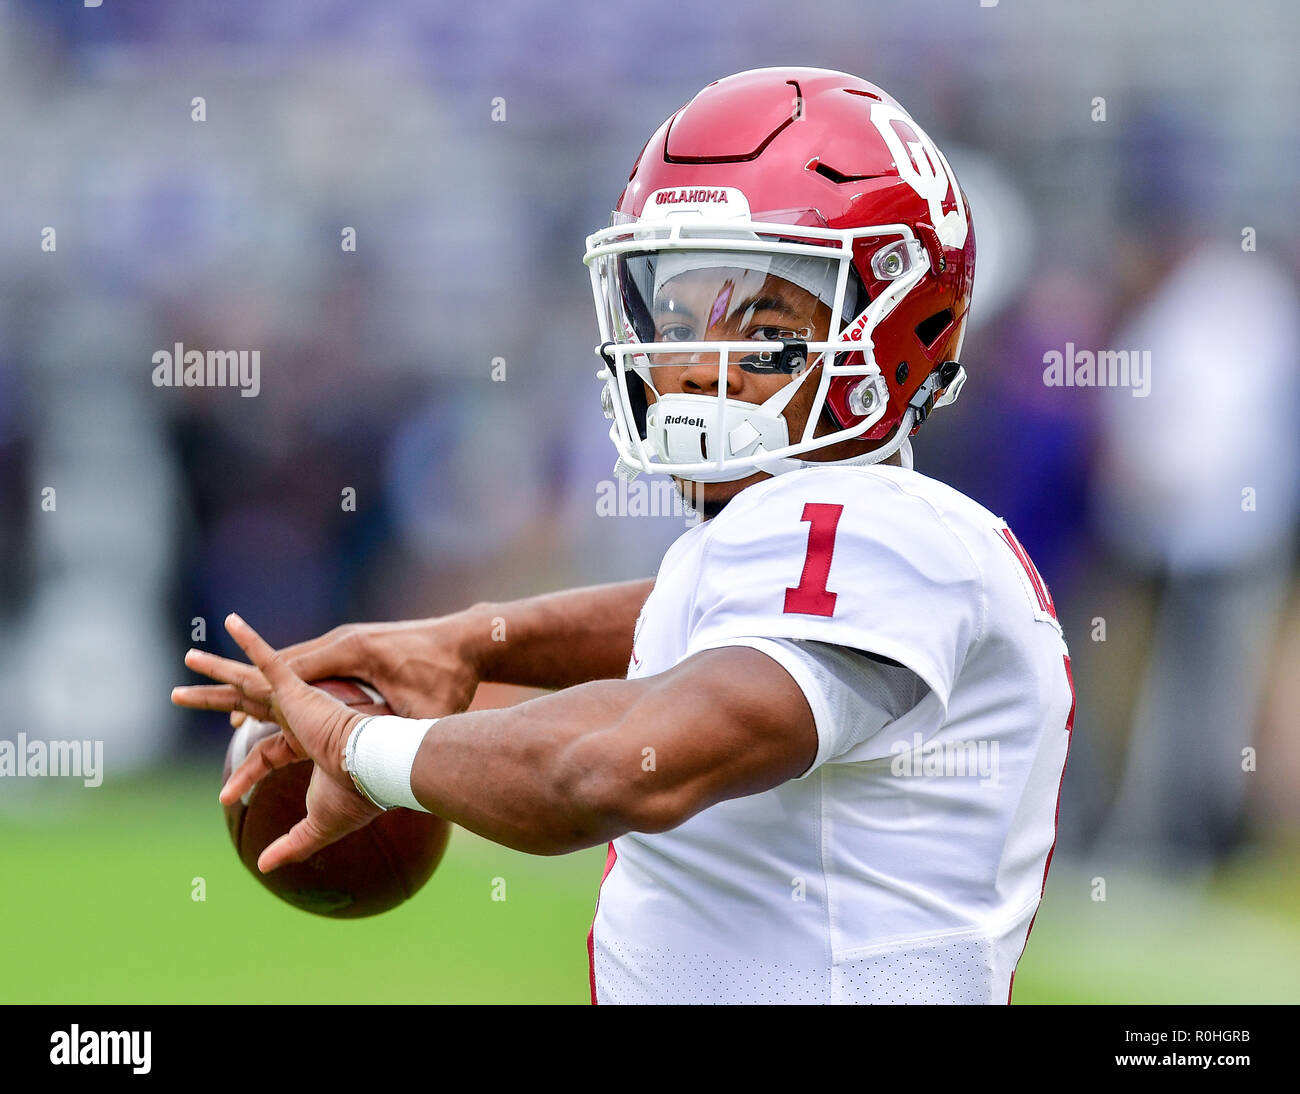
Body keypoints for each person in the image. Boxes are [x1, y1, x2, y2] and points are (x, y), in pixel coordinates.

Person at [172, 67, 1074, 1005]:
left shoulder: (886, 532)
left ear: (897, 325)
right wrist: (477, 640)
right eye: (674, 318)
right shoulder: (822, 544)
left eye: (759, 325)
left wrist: (365, 749)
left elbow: (601, 771)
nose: (688, 365)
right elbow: (714, 620)